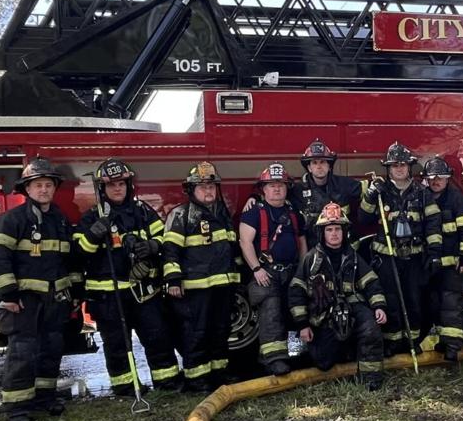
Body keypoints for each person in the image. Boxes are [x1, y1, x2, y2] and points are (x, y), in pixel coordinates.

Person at [74, 158, 180, 395]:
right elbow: (79, 252)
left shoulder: (142, 211)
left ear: (129, 185)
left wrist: (152, 246)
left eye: (122, 183)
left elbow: (165, 237)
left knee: (157, 336)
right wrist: (93, 235)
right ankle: (125, 387)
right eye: (112, 185)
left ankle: (168, 382)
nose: (118, 188)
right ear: (103, 188)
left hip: (143, 291)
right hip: (108, 295)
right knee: (116, 344)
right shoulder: (93, 217)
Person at [0, 158, 80, 421]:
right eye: (38, 185)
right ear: (27, 189)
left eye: (48, 185)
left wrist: (74, 291)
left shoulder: (59, 219)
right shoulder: (13, 220)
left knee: (51, 350)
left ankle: (45, 399)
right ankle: (17, 410)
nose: (43, 190)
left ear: (54, 188)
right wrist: (9, 295)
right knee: (22, 353)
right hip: (25, 301)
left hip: (55, 300)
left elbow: (70, 260)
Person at [289, 203, 388, 390]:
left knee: (370, 330)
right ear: (322, 233)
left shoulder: (354, 256)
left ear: (344, 232)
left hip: (353, 305)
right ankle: (345, 352)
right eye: (329, 229)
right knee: (323, 362)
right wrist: (302, 325)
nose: (334, 233)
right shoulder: (311, 259)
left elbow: (371, 282)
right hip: (325, 312)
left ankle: (371, 380)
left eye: (338, 229)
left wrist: (379, 307)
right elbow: (296, 291)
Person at [162, 162, 239, 392]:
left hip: (222, 285)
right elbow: (170, 250)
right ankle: (197, 379)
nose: (208, 191)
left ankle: (219, 374)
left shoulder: (221, 214)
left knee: (220, 330)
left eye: (212, 187)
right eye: (203, 187)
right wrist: (173, 280)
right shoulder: (181, 215)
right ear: (192, 190)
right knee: (197, 332)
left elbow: (231, 248)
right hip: (195, 288)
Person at [360, 142, 442, 355]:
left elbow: (433, 224)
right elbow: (363, 218)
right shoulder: (381, 191)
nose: (399, 169)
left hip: (414, 258)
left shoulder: (422, 193)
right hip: (386, 258)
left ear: (409, 167)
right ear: (388, 168)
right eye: (394, 165)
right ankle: (392, 343)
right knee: (391, 300)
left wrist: (434, 254)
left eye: (403, 165)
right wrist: (370, 195)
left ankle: (412, 342)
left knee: (414, 300)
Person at [238, 162, 307, 376]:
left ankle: (299, 351)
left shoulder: (293, 212)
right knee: (271, 312)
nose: (276, 189)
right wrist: (257, 269)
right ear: (263, 189)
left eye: (280, 185)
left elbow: (302, 241)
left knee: (296, 310)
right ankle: (274, 359)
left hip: (291, 270)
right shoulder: (254, 213)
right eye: (271, 185)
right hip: (266, 273)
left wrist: (304, 268)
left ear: (287, 188)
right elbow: (245, 242)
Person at [419, 156, 463, 363]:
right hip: (431, 265)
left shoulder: (457, 199)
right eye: (432, 178)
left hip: (453, 264)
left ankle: (452, 349)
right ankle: (440, 342)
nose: (436, 182)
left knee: (451, 304)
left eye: (440, 178)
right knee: (432, 303)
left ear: (448, 179)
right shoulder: (422, 197)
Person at [290, 138, 362, 247]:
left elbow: (368, 188)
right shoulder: (298, 190)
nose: (319, 166)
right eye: (314, 163)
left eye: (323, 162)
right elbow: (275, 195)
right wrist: (255, 197)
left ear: (329, 166)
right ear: (309, 168)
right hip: (314, 248)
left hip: (344, 247)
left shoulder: (344, 184)